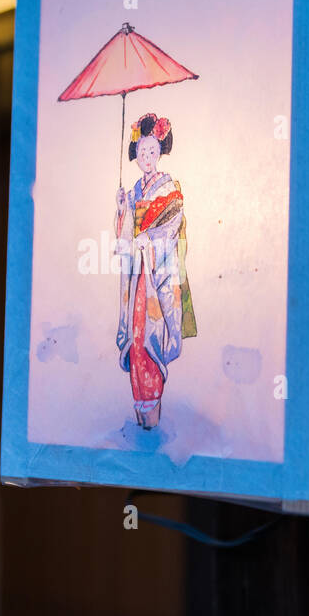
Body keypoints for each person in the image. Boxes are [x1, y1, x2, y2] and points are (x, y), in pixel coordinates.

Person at [114, 113, 195, 429]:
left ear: (160, 152)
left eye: (152, 151)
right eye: (142, 152)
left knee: (151, 335)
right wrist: (123, 209)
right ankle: (140, 407)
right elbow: (125, 238)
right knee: (136, 336)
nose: (146, 157)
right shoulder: (134, 190)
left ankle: (153, 409)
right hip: (138, 275)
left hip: (156, 274)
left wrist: (148, 237)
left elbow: (172, 224)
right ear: (135, 157)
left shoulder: (169, 187)